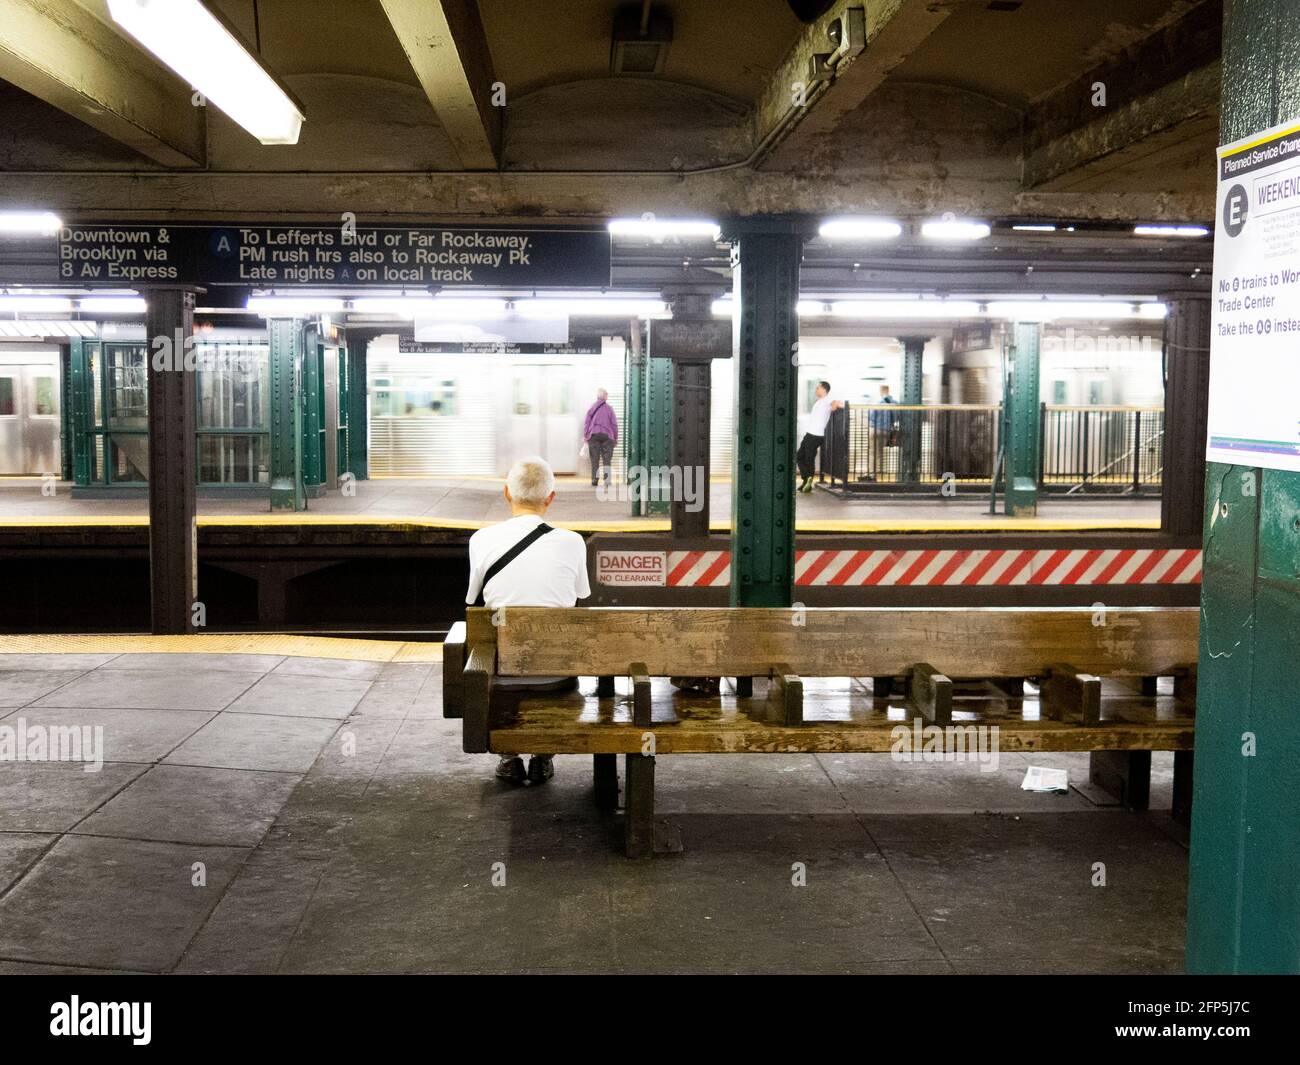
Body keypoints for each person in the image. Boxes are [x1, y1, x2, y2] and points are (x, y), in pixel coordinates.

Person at [465, 456, 591, 786]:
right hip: (556, 678)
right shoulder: (573, 542)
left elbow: (472, 601)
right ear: (550, 497)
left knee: (492, 647)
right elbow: (579, 598)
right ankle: (543, 755)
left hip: (503, 677)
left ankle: (509, 758)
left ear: (506, 493)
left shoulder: (480, 540)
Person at [796, 380, 842, 493]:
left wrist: (834, 406)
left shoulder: (828, 399)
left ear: (824, 389)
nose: (816, 390)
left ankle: (808, 481)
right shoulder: (820, 401)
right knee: (799, 456)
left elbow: (838, 404)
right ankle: (806, 479)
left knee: (808, 457)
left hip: (816, 434)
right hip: (810, 433)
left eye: (817, 388)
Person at [582, 387, 618, 487]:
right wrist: (615, 438)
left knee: (595, 459)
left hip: (594, 435)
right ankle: (607, 481)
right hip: (607, 436)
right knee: (607, 459)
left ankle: (594, 480)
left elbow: (586, 422)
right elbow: (614, 424)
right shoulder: (609, 409)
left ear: (597, 396)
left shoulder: (592, 408)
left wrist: (585, 435)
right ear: (605, 396)